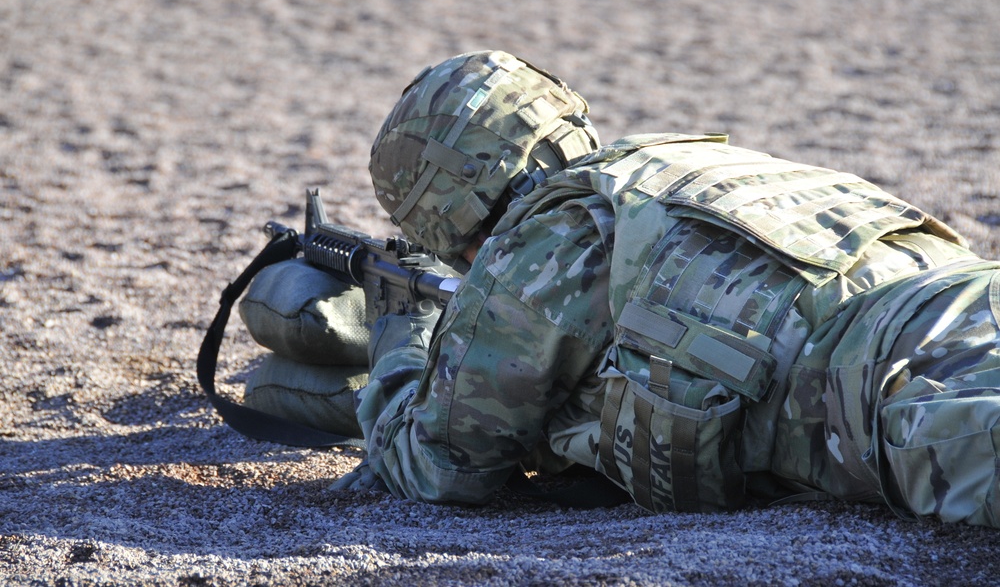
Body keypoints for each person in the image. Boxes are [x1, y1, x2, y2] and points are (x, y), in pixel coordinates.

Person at [260, 50, 1000, 527]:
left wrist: (401, 333)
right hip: (966, 294)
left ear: (445, 210)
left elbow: (437, 467)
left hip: (892, 389)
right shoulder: (680, 165)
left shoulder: (541, 247)